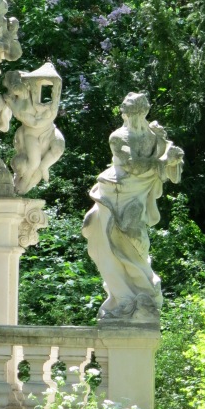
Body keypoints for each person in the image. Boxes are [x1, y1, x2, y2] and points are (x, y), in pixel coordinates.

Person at [82, 92, 183, 321]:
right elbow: (132, 166)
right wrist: (165, 161)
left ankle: (141, 294)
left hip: (137, 193)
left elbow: (169, 167)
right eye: (128, 111)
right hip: (114, 194)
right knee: (112, 241)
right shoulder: (118, 137)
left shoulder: (153, 136)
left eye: (136, 111)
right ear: (124, 113)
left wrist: (174, 158)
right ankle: (125, 298)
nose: (131, 115)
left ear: (145, 111)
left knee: (136, 239)